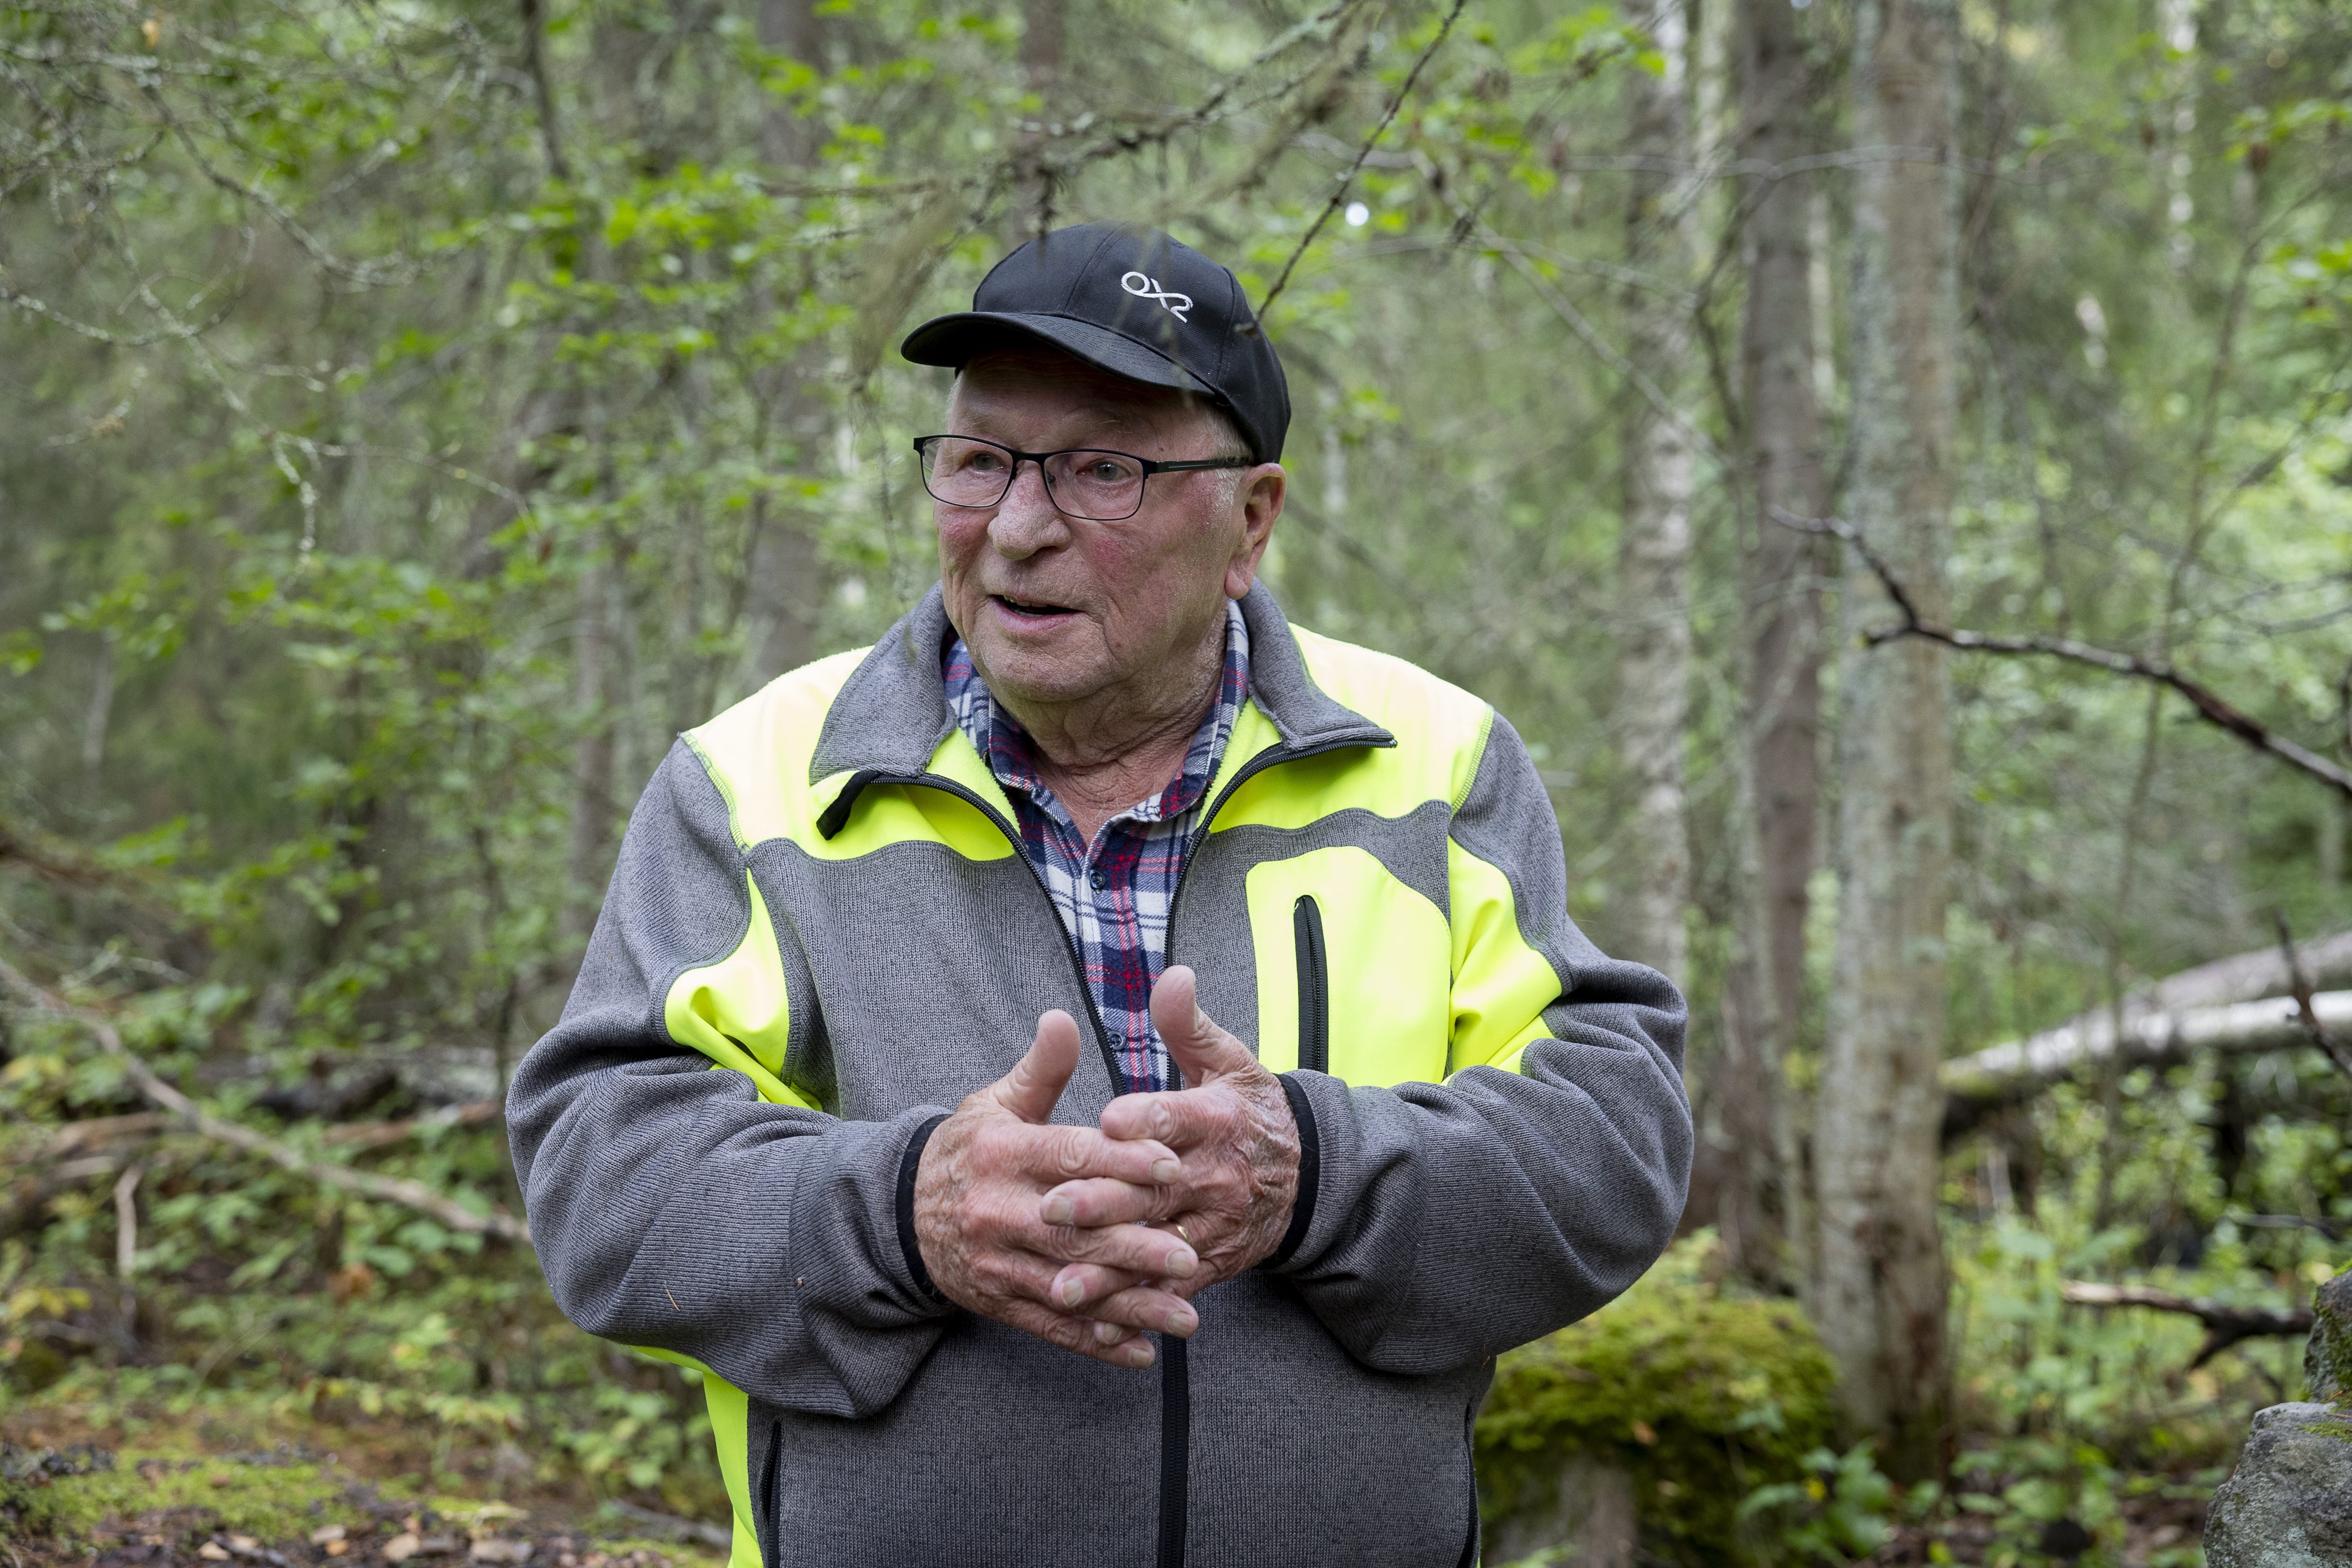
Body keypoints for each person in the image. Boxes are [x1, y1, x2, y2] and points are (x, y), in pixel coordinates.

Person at [507, 222, 1692, 1568]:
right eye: (980, 461)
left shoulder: (1431, 767)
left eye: (1102, 471)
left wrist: (1318, 1176)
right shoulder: (759, 784)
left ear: (1250, 521)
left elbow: (1612, 1142)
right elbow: (600, 1175)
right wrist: (901, 1214)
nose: (1018, 530)